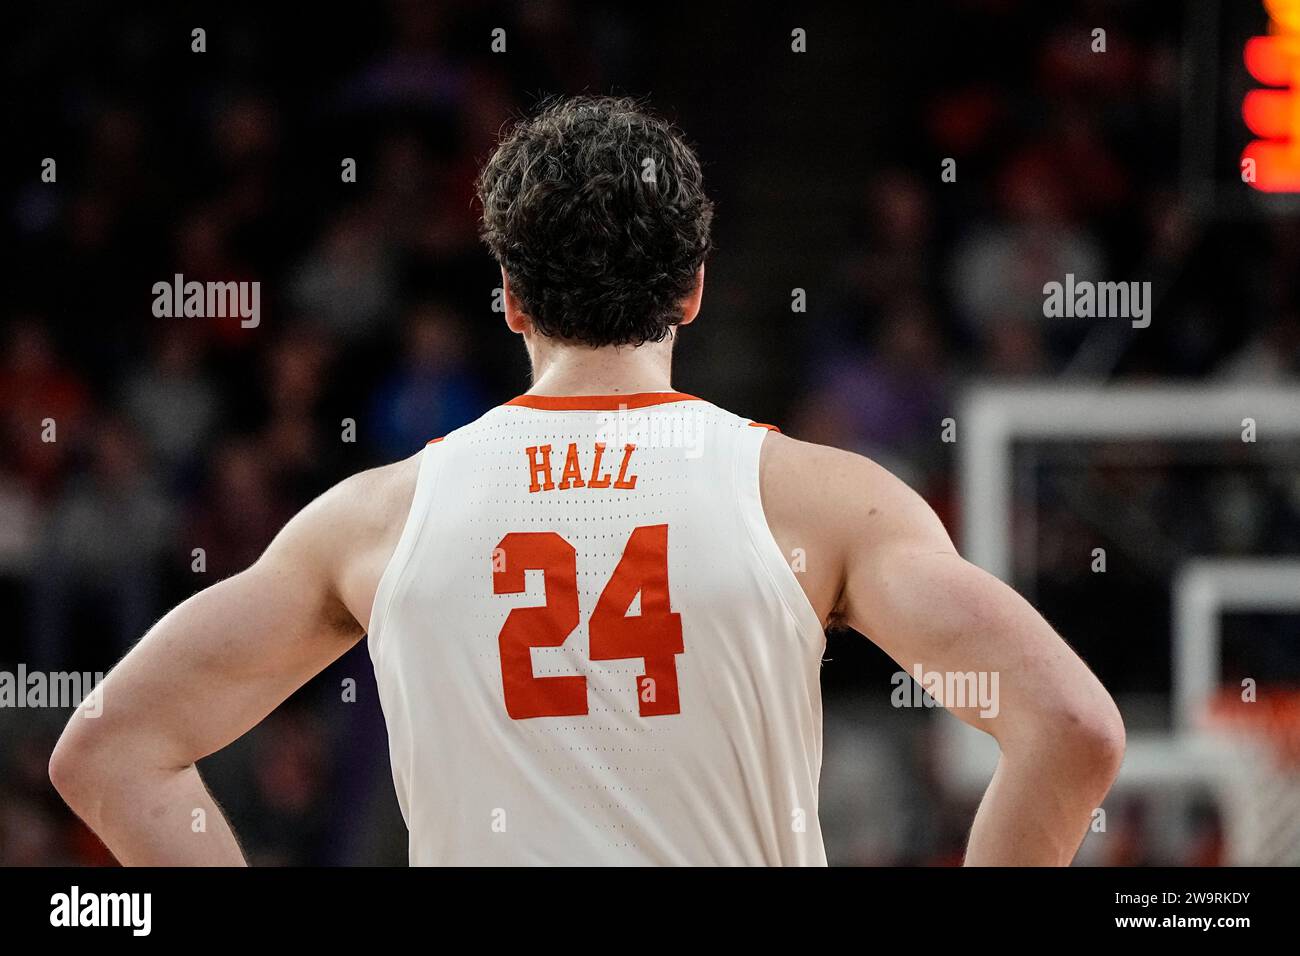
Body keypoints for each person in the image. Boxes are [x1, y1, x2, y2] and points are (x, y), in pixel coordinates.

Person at [50, 96, 1124, 866]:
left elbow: (109, 748)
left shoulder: (372, 518)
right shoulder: (824, 501)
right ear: (695, 289)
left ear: (509, 297)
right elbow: (1071, 726)